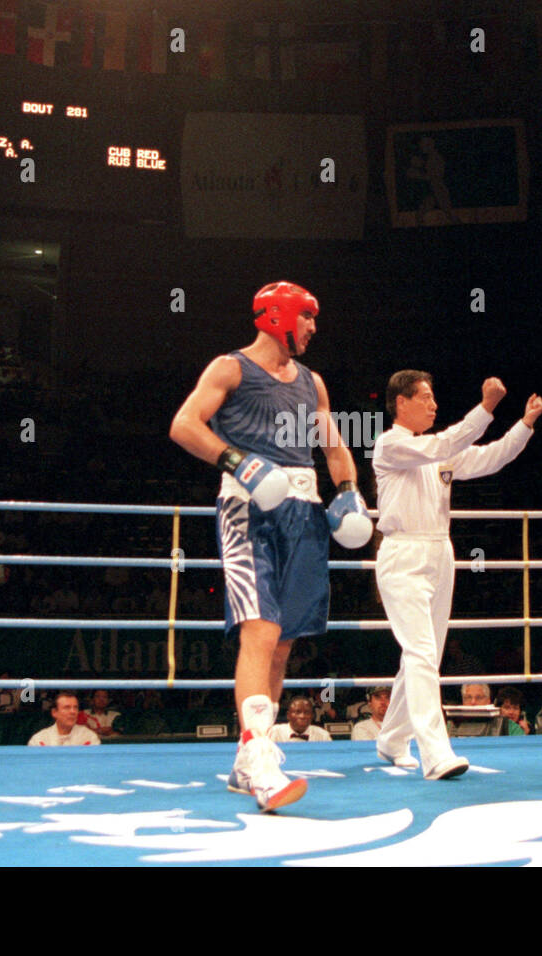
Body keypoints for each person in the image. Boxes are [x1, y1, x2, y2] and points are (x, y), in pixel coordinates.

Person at [169, 281, 372, 811]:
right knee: (259, 628)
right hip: (248, 508)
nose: (313, 327)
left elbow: (333, 446)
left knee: (284, 640)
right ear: (278, 314)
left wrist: (348, 493)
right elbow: (184, 426)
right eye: (307, 316)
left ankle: (246, 761)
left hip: (303, 513)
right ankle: (259, 753)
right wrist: (238, 461)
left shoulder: (312, 382)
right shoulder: (229, 368)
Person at [372, 371, 542, 779]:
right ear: (402, 403)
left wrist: (525, 423)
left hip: (440, 552)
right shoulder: (390, 444)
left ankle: (391, 739)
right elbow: (448, 441)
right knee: (421, 654)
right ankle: (435, 753)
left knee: (421, 654)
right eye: (426, 398)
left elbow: (492, 457)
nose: (434, 405)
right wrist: (486, 407)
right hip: (403, 554)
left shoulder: (437, 454)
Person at [27, 691, 100, 746]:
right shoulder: (39, 740)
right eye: (67, 707)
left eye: (75, 707)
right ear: (54, 712)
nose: (73, 712)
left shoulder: (89, 737)